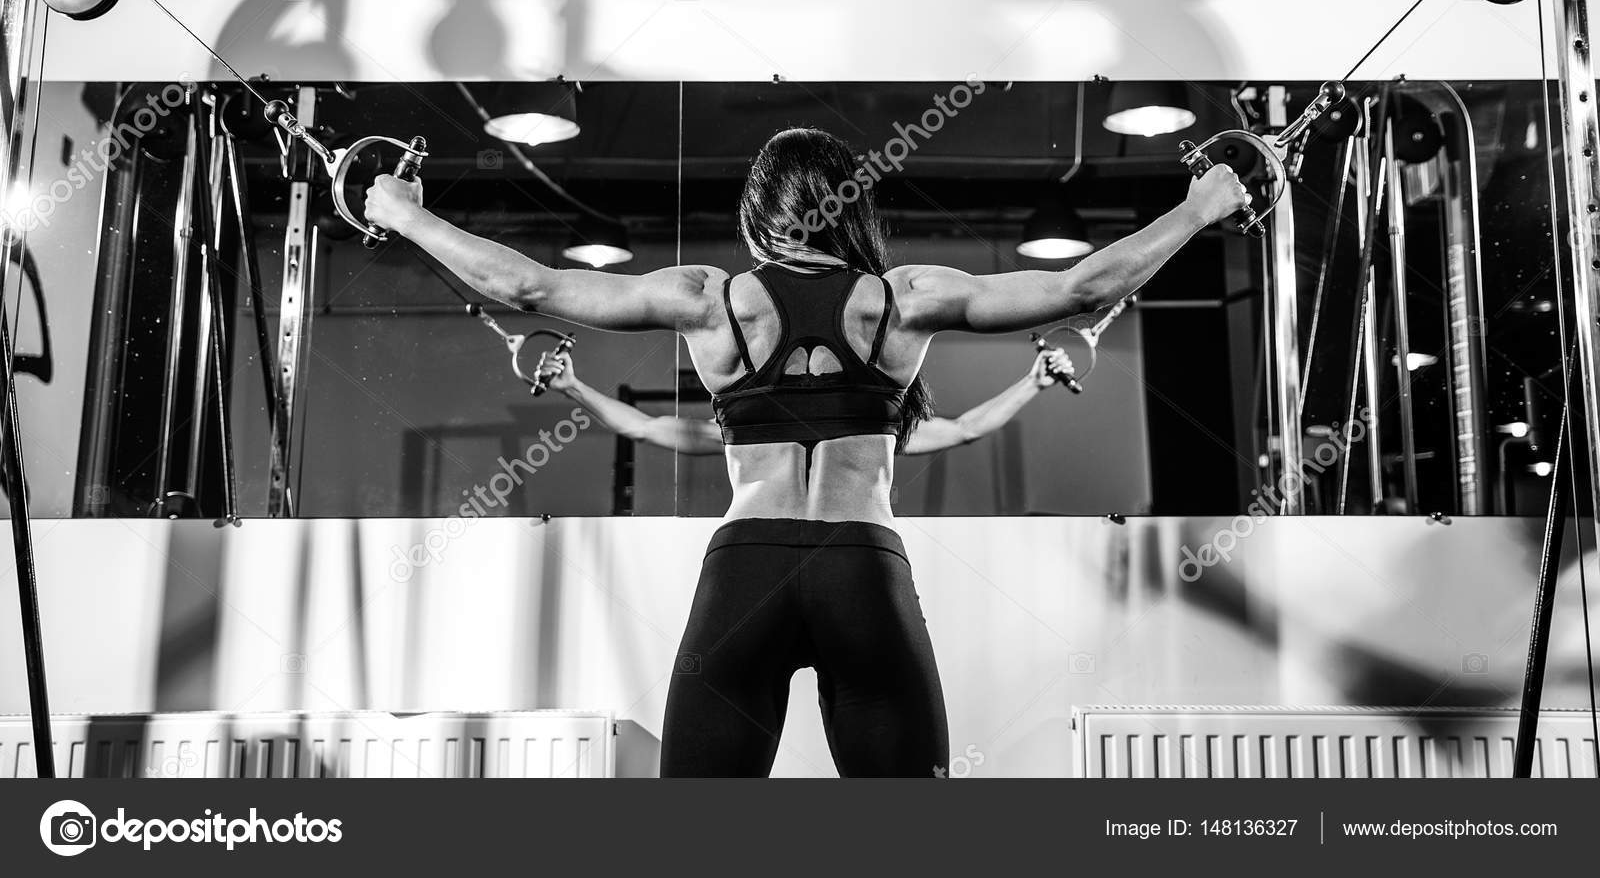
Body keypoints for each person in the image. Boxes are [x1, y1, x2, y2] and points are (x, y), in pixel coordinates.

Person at [364, 125, 1249, 778]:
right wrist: (1202, 204)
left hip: (744, 573)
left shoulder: (710, 299)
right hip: (862, 569)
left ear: (757, 216)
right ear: (852, 209)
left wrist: (405, 213)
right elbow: (1085, 284)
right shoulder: (903, 297)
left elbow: (526, 285)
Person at [532, 348, 1076, 457]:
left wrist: (1033, 383)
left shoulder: (873, 430)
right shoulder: (752, 432)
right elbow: (645, 428)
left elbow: (964, 429)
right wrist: (574, 387)